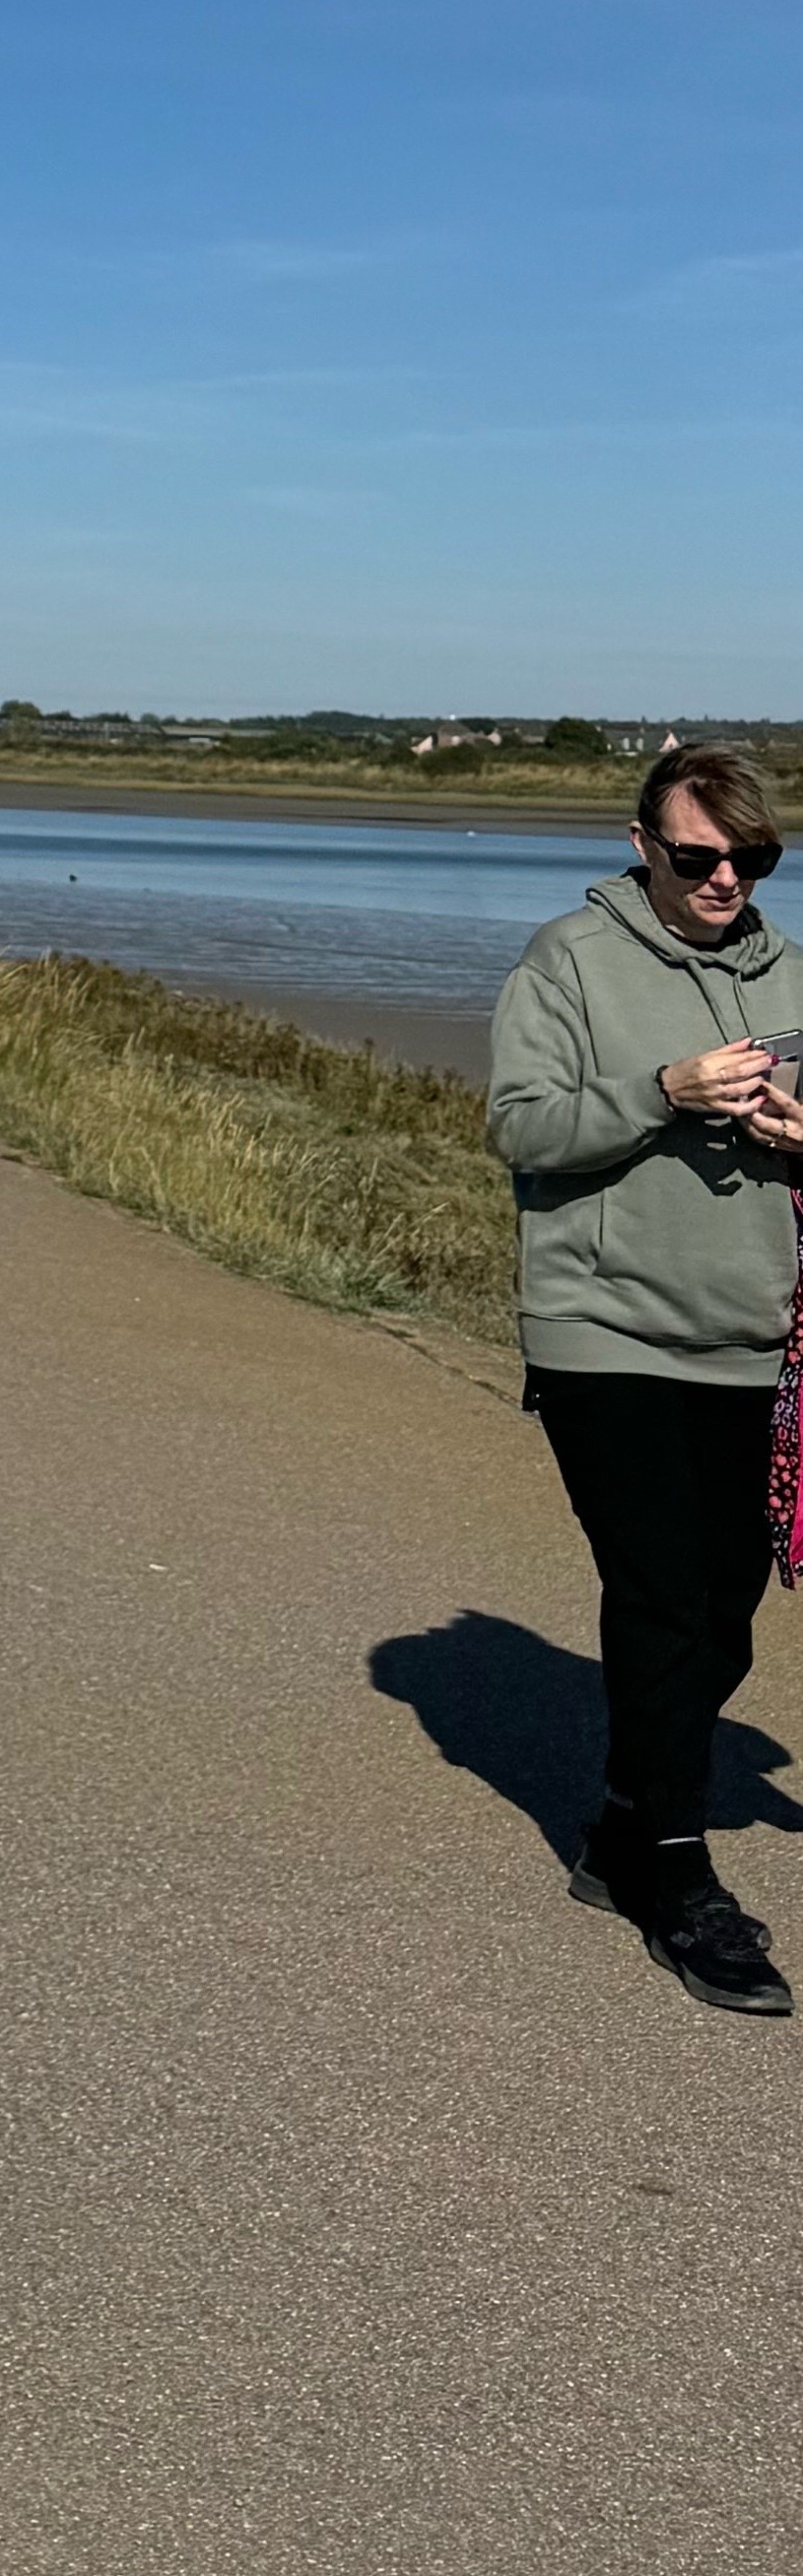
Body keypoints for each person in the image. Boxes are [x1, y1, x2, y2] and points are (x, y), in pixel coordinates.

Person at [487, 742, 803, 2013]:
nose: (726, 878)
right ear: (642, 847)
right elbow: (520, 1127)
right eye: (698, 856)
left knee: (727, 1599)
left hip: (750, 1330)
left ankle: (625, 1820)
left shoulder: (789, 970)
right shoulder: (569, 959)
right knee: (664, 1590)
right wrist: (659, 1090)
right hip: (601, 1324)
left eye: (752, 858)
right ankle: (674, 1870)